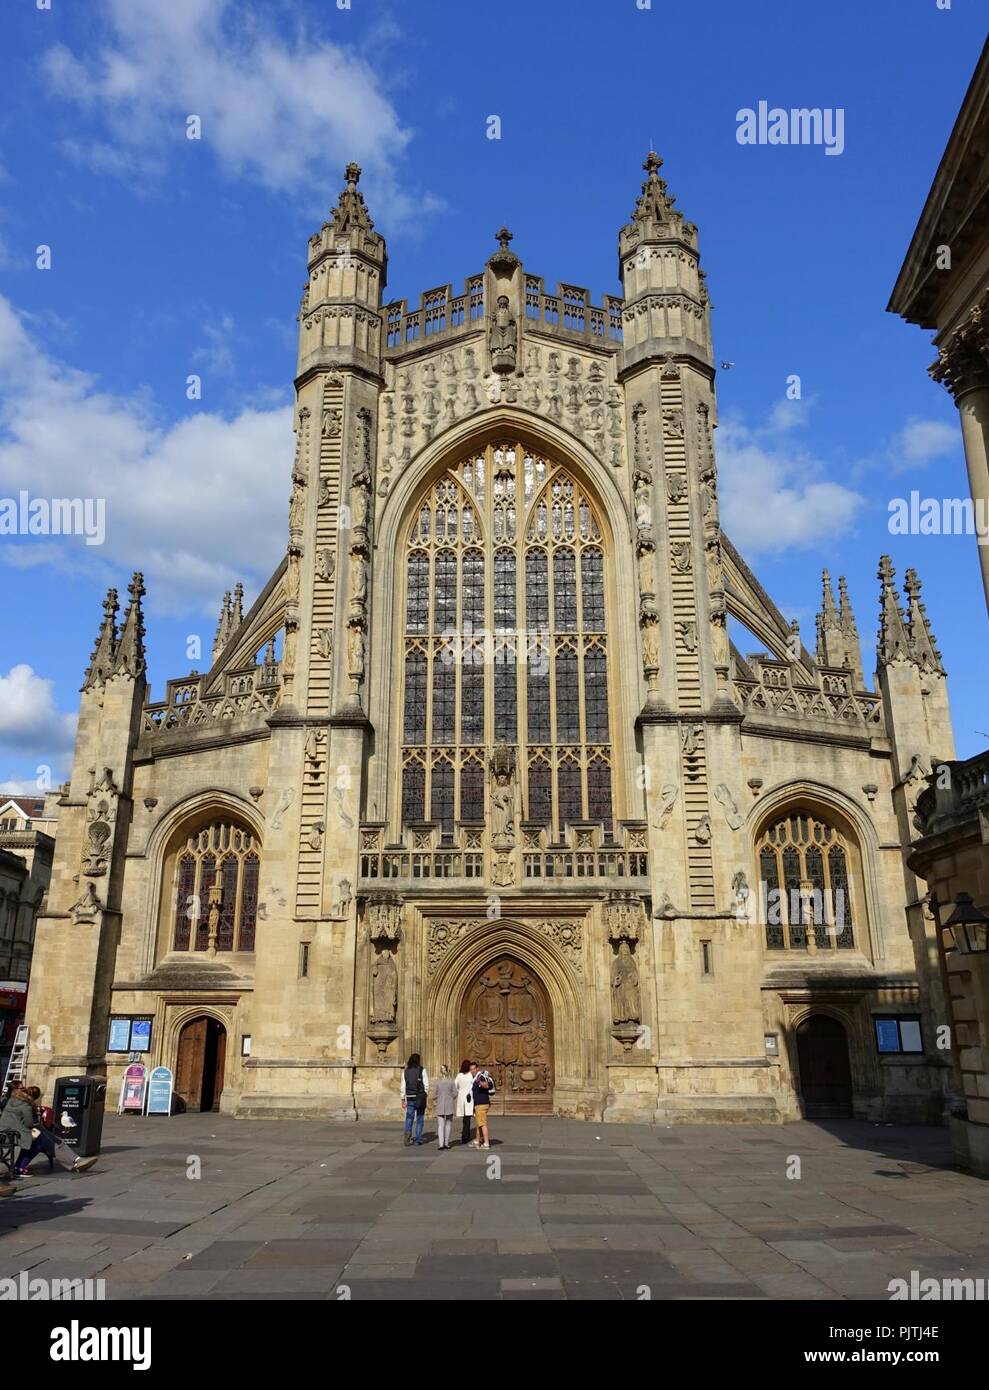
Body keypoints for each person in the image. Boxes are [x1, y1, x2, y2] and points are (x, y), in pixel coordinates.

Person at [6, 1085, 96, 1177]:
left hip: (15, 1132)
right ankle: (75, 1161)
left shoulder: (16, 1101)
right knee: (41, 1139)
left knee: (48, 1137)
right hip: (10, 1134)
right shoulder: (20, 1103)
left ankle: (76, 1160)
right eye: (21, 1088)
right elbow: (28, 1123)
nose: (24, 1088)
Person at [400, 1052, 428, 1146]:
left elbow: (403, 1087)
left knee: (409, 1118)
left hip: (410, 1097)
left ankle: (407, 1136)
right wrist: (424, 1095)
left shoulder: (405, 1071)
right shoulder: (422, 1070)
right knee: (420, 1118)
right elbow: (426, 1085)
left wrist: (403, 1099)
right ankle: (418, 1139)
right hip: (420, 1097)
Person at [471, 1064, 496, 1150]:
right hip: (479, 1103)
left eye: (474, 1069)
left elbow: (486, 1085)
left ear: (477, 1068)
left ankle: (486, 1143)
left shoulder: (480, 1076)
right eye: (471, 1069)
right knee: (479, 1123)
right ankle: (477, 1141)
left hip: (481, 1103)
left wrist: (479, 1082)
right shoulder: (476, 1077)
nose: (472, 1071)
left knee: (482, 1124)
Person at [433, 1064, 457, 1151]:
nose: (442, 1070)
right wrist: (450, 1096)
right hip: (446, 1103)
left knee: (445, 1125)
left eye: (443, 1069)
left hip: (444, 1104)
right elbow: (455, 1093)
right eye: (441, 1069)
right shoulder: (450, 1081)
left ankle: (444, 1143)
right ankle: (443, 1144)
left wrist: (438, 1097)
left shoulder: (442, 1081)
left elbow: (434, 1095)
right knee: (444, 1125)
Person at [454, 1060, 474, 1146]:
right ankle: (465, 1136)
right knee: (467, 1118)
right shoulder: (470, 1075)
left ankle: (465, 1135)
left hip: (462, 1097)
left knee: (465, 1118)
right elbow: (472, 1086)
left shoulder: (459, 1075)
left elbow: (455, 1085)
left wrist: (459, 1091)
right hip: (469, 1097)